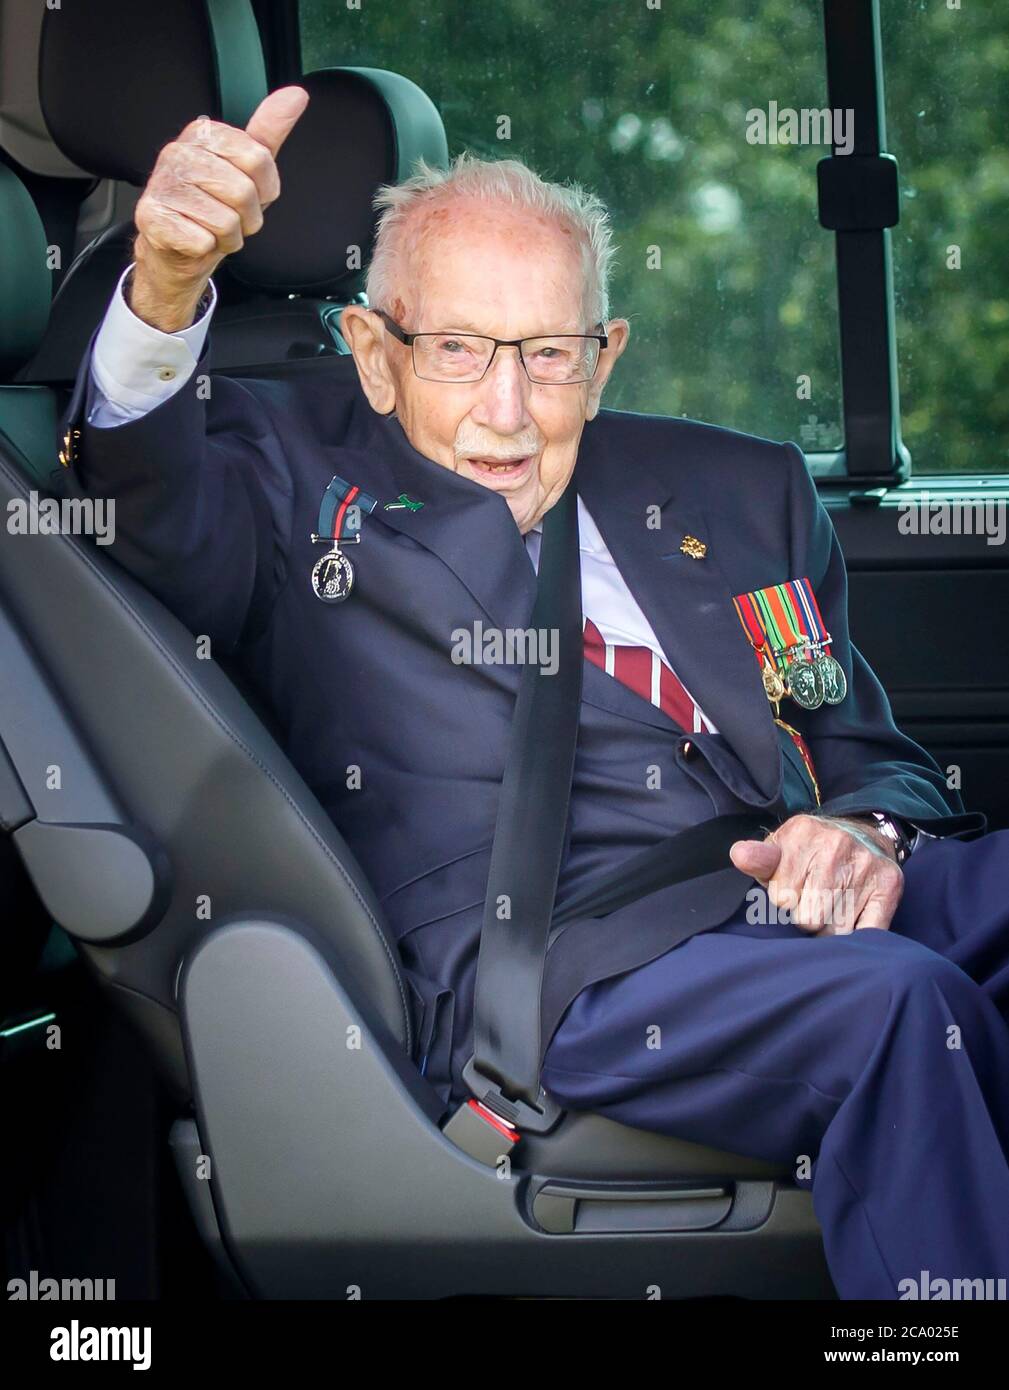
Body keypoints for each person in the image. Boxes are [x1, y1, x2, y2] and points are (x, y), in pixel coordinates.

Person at [58, 87, 1009, 1299]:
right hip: (557, 961)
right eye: (455, 350)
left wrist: (864, 827)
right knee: (904, 1005)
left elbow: (857, 740)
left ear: (601, 357)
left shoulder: (737, 493)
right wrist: (167, 280)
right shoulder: (291, 485)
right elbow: (147, 478)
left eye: (547, 354)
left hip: (795, 899)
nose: (504, 411)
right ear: (373, 354)